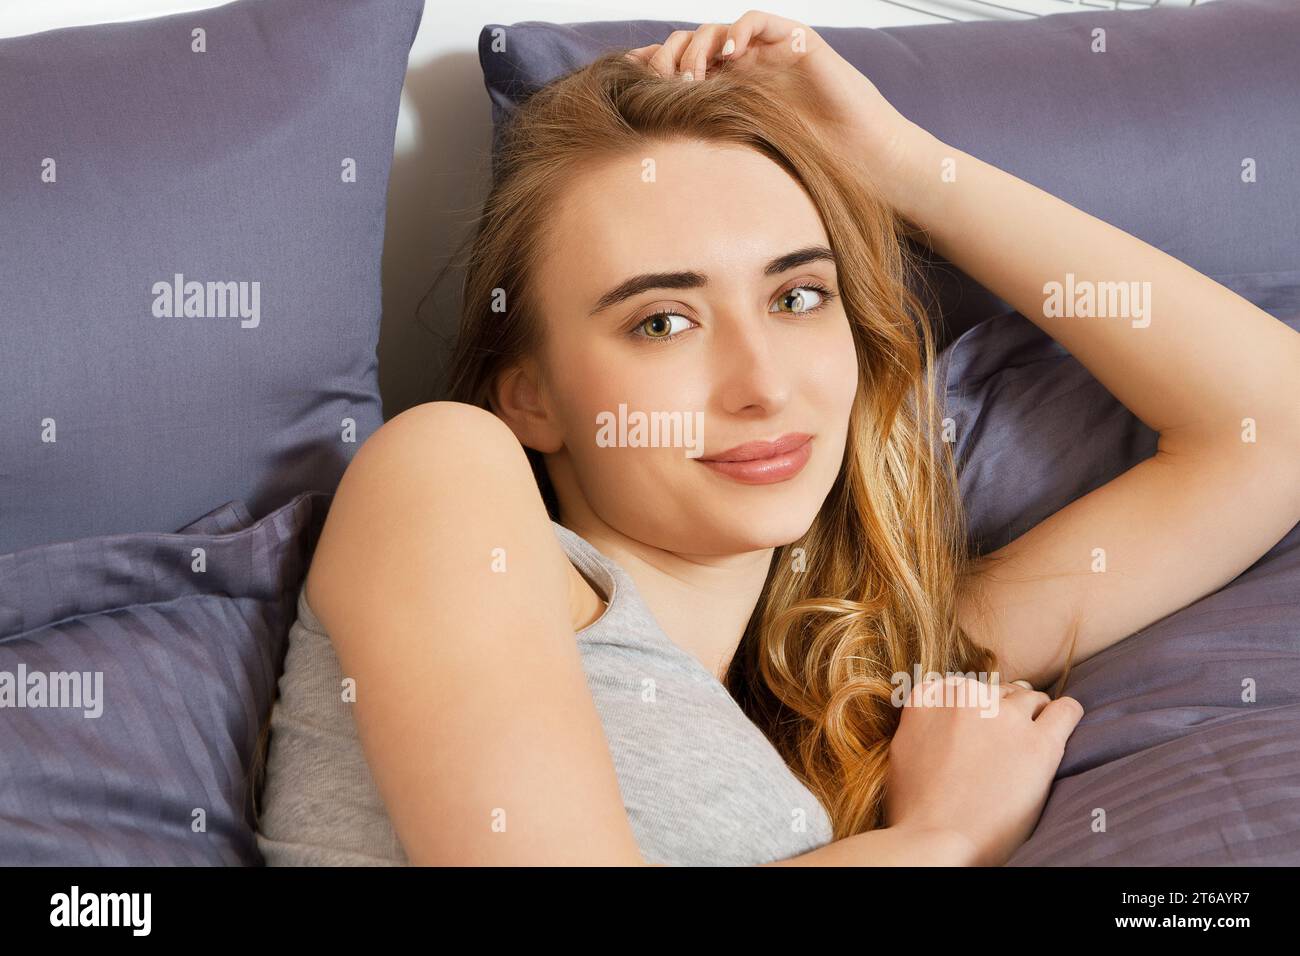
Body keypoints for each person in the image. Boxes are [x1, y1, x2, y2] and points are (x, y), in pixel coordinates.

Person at [253, 10, 1300, 867]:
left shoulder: (854, 687)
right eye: (662, 320)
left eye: (799, 296)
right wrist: (943, 838)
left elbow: (1271, 427)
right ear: (530, 397)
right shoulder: (442, 474)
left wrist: (900, 166)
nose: (762, 387)